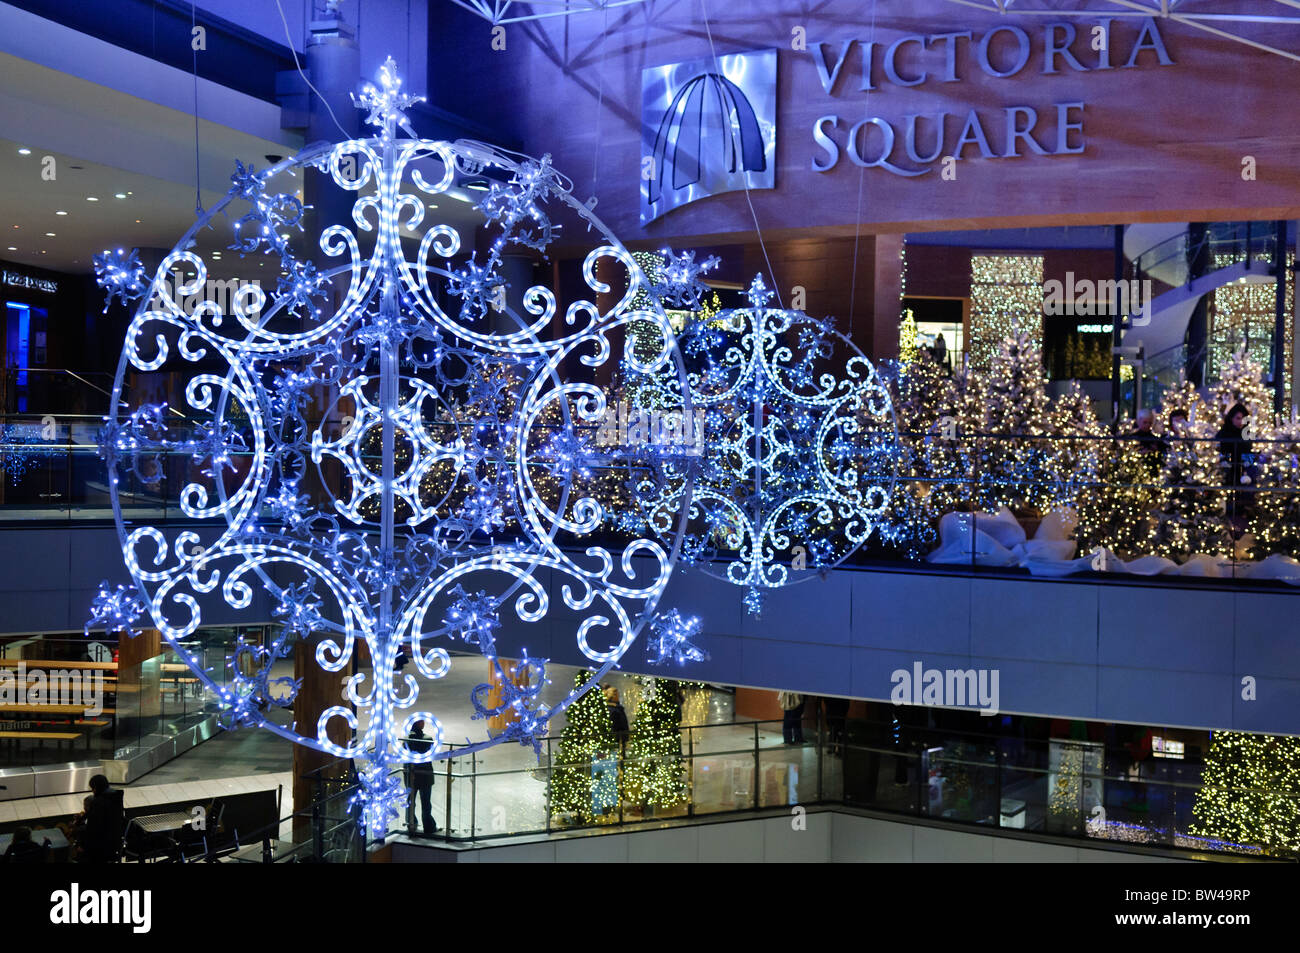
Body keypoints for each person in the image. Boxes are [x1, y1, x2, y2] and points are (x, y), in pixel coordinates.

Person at [1216, 402, 1256, 532]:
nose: (1241, 422)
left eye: (1243, 418)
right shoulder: (1224, 432)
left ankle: (1244, 513)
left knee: (1250, 477)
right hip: (1227, 468)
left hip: (1243, 468)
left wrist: (1246, 467)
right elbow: (1220, 451)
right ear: (1231, 418)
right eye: (1238, 418)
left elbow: (1249, 451)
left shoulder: (1247, 432)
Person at [406, 720, 437, 836]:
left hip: (411, 774)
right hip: (425, 774)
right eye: (422, 721)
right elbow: (431, 751)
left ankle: (411, 823)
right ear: (419, 724)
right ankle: (428, 826)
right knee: (426, 802)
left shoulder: (406, 739)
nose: (424, 723)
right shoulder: (427, 739)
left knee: (410, 801)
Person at [83, 774, 124, 863]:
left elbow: (92, 828)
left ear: (97, 788)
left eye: (93, 788)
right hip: (115, 842)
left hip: (101, 847)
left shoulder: (98, 802)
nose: (92, 791)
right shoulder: (116, 797)